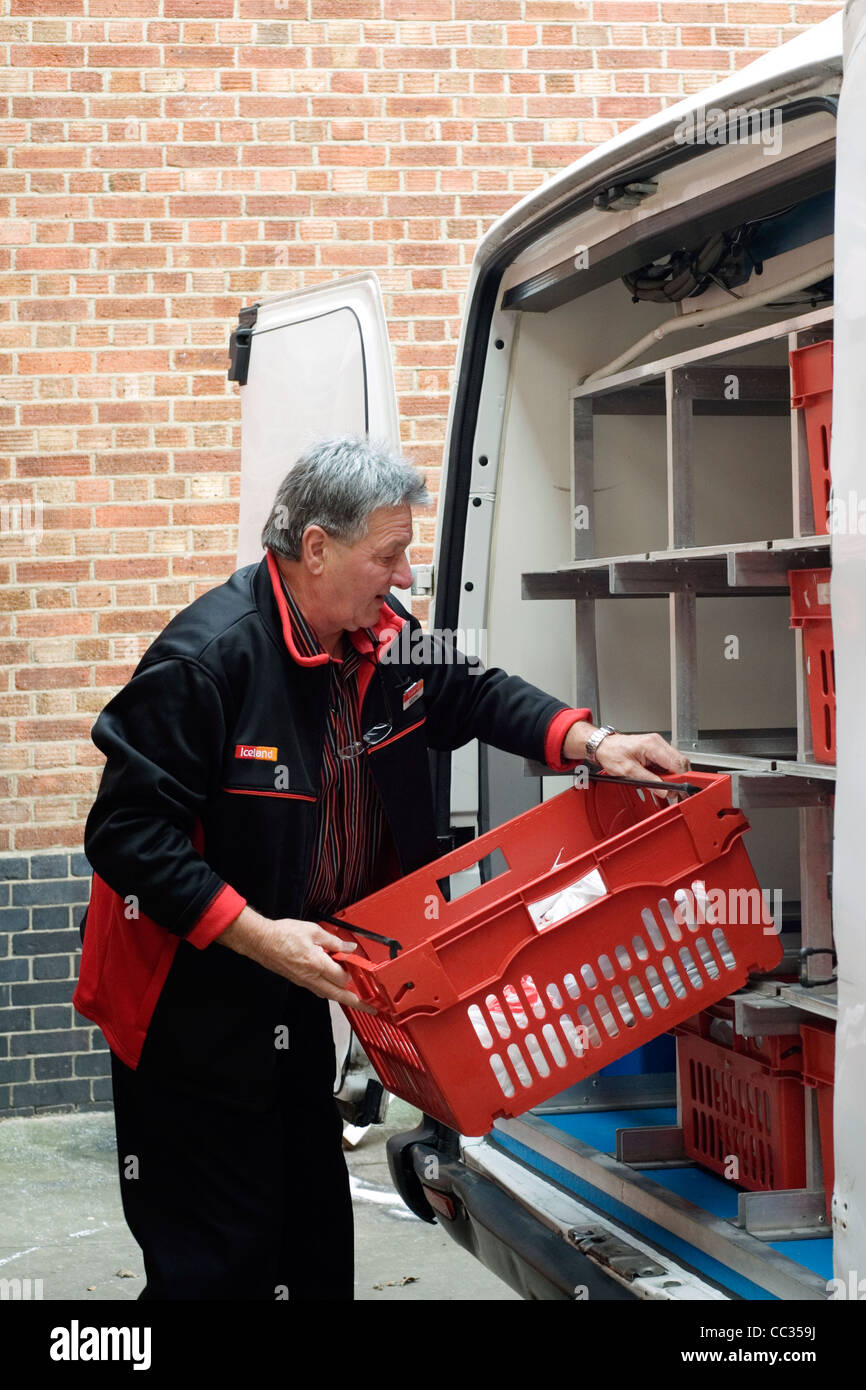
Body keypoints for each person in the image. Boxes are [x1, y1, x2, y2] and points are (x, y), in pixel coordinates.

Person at [73, 434, 688, 1301]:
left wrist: (595, 741)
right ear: (316, 549)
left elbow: (473, 689)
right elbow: (128, 836)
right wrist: (257, 936)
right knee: (214, 1256)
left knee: (310, 1233)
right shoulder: (208, 662)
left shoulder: (389, 638)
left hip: (292, 975)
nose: (404, 575)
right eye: (389, 554)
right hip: (185, 998)